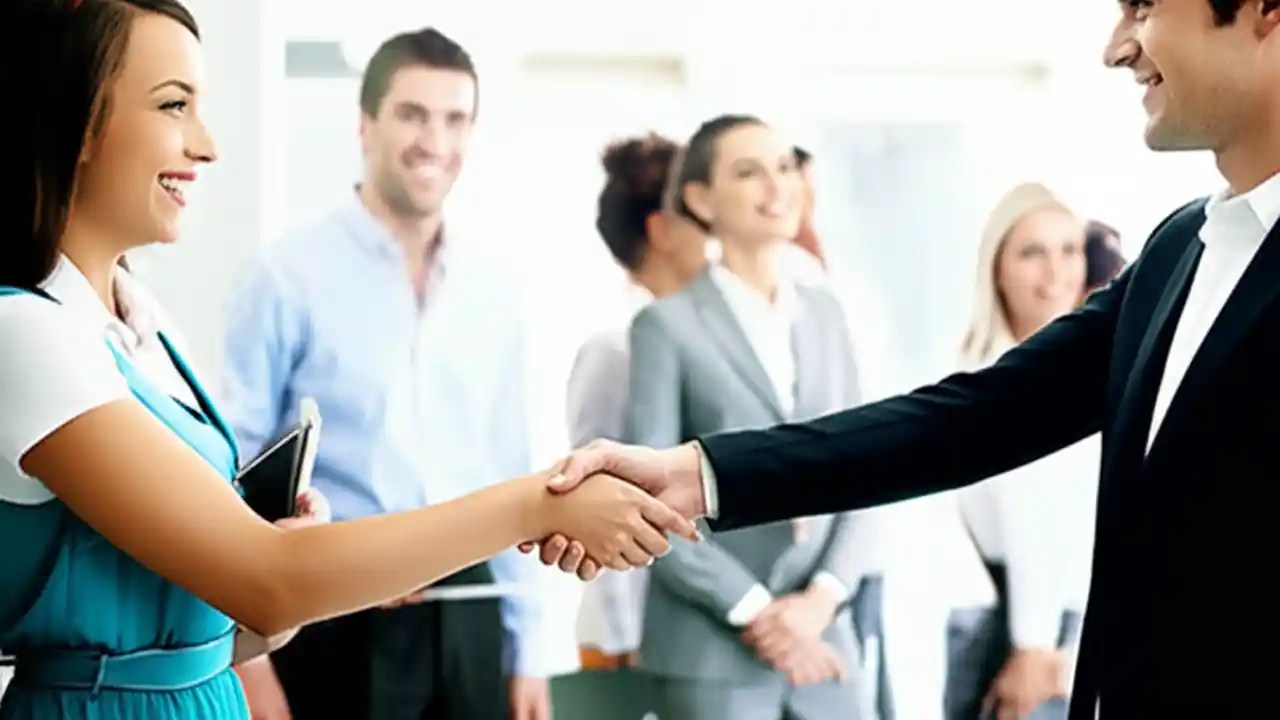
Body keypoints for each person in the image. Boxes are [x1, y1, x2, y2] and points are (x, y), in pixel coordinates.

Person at [531, 1, 1280, 716]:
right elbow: (969, 419)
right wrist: (699, 474)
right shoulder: (1181, 249)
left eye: (1143, 6)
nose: (1117, 47)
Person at [0, 3, 694, 718]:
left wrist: (284, 578)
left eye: (457, 120)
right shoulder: (27, 332)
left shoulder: (140, 320)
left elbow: (234, 605)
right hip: (288, 652)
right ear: (75, 120)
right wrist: (540, 500)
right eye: (175, 104)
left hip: (403, 623)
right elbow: (263, 576)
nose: (207, 146)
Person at [218, 24, 647, 720]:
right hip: (336, 614)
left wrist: (526, 649)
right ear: (365, 125)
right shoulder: (284, 276)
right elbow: (233, 473)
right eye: (413, 114)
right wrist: (250, 663)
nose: (435, 141)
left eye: (455, 119)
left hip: (469, 617)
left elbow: (512, 466)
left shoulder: (494, 289)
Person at [620, 114, 868, 720]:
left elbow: (871, 465)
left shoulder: (827, 316)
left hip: (826, 637)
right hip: (711, 650)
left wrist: (821, 599)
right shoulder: (665, 328)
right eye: (749, 171)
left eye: (785, 167)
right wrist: (757, 611)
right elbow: (645, 502)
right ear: (700, 198)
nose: (776, 186)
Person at [942, 183, 1095, 720]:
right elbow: (1030, 524)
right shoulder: (1000, 377)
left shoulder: (1089, 372)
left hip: (1069, 633)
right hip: (1023, 633)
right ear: (997, 268)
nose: (1055, 273)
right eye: (1032, 253)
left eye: (1068, 250)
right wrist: (1033, 647)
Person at [569, 133, 708, 670]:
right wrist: (626, 642)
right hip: (629, 644)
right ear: (663, 230)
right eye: (701, 213)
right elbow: (593, 506)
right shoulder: (614, 353)